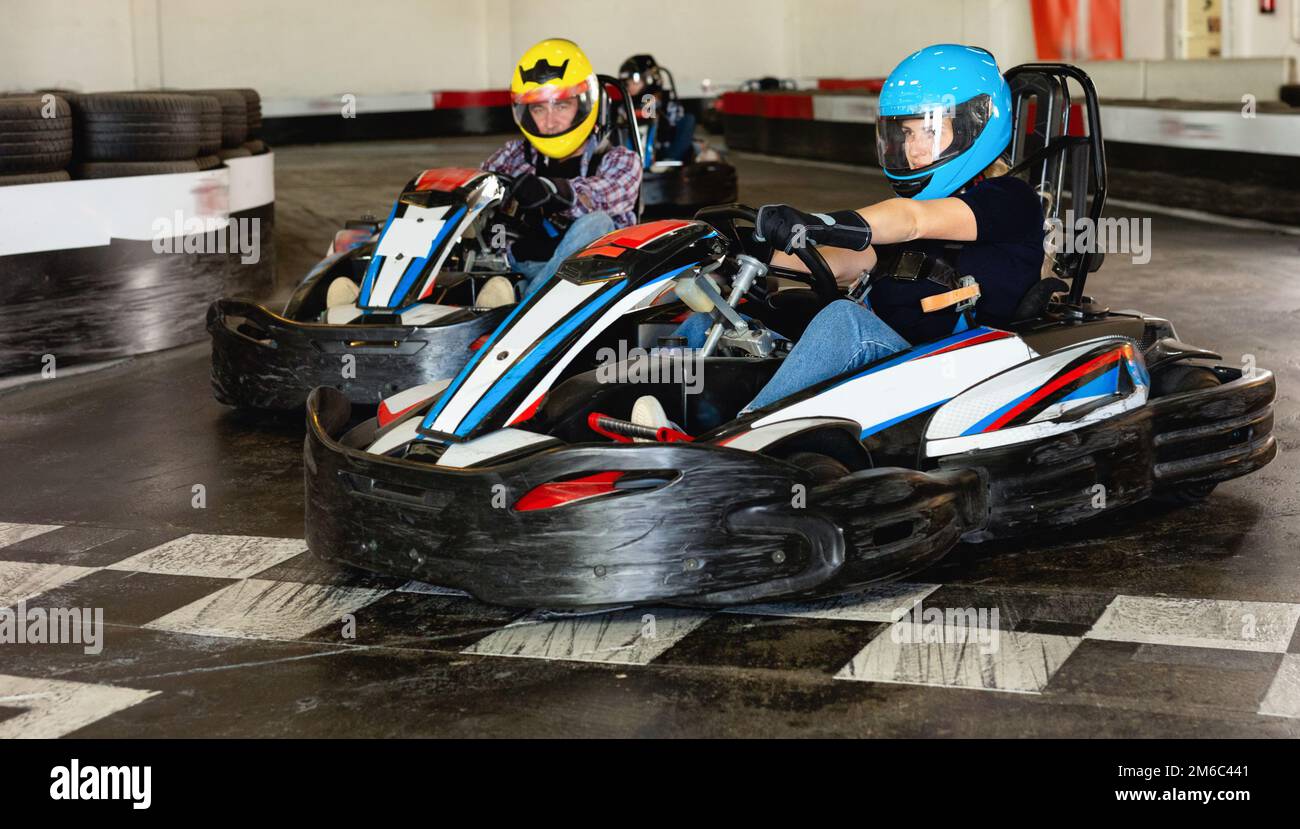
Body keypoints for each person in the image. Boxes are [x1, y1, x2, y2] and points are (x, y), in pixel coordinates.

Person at [643, 44, 1045, 428]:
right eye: (905, 134)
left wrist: (815, 220)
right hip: (886, 357)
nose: (913, 149)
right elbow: (841, 261)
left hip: (947, 370)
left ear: (975, 125)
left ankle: (744, 434)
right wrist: (745, 250)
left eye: (927, 131)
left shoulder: (1009, 201)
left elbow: (909, 220)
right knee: (713, 319)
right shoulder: (918, 214)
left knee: (843, 320)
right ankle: (645, 416)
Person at [474, 39, 642, 305]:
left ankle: (524, 305)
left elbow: (602, 197)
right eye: (538, 108)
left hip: (592, 280)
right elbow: (474, 188)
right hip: (521, 264)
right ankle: (519, 295)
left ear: (585, 104)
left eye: (562, 106)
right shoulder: (514, 154)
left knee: (598, 223)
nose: (549, 121)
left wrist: (555, 191)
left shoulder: (620, 159)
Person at [618, 54, 697, 164]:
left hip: (664, 153)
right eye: (627, 81)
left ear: (649, 78)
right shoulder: (625, 104)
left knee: (689, 119)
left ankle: (671, 161)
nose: (630, 85)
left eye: (634, 80)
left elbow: (672, 121)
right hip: (632, 155)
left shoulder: (666, 102)